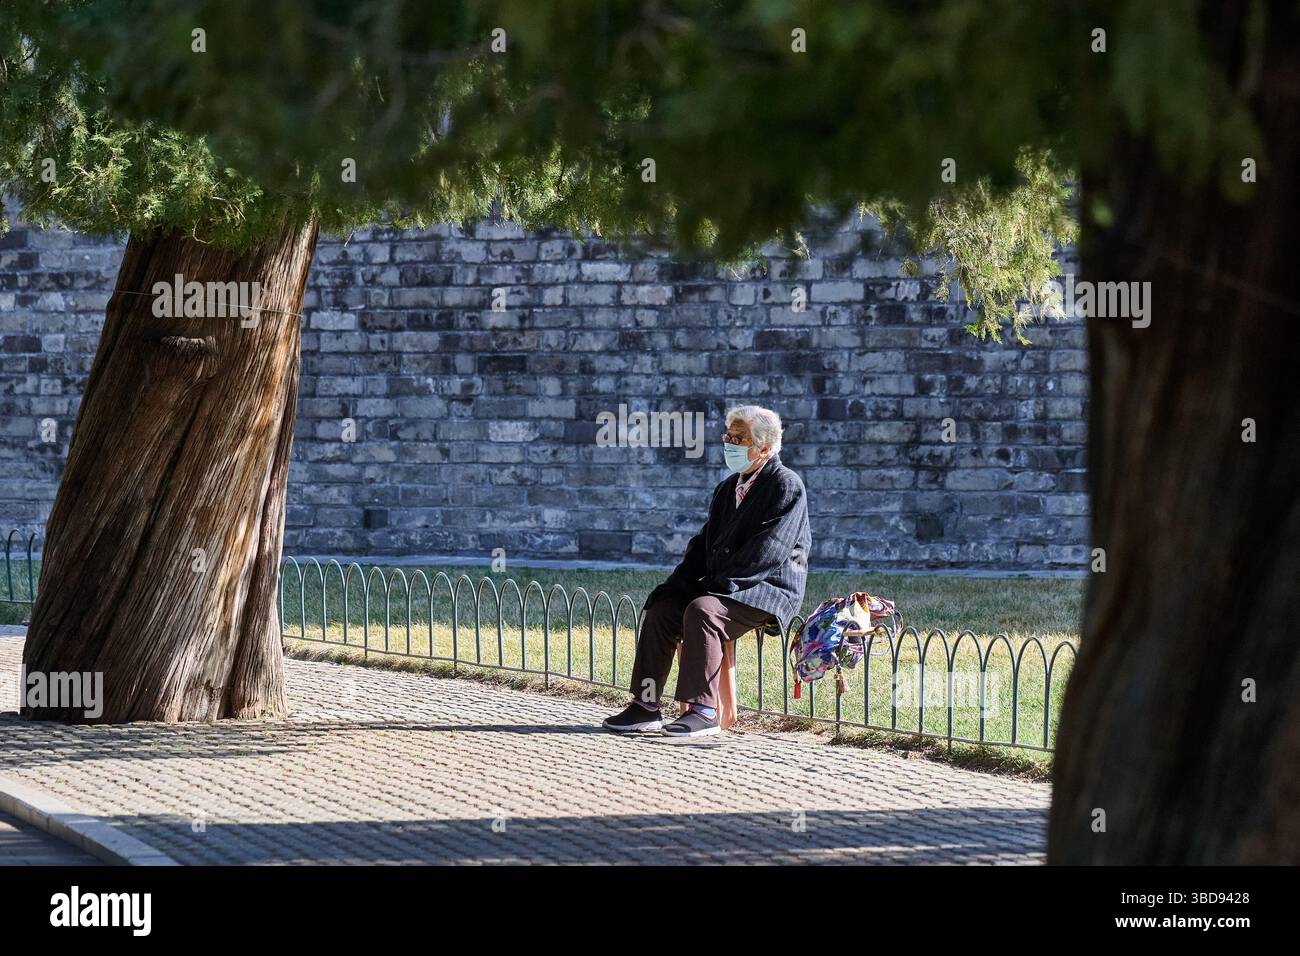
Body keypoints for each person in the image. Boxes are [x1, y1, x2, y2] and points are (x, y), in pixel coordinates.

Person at [603, 405, 811, 737]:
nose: (729, 442)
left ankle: (704, 710)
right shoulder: (728, 488)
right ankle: (645, 706)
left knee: (704, 611)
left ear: (765, 448)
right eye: (728, 435)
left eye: (738, 438)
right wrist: (678, 583)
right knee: (663, 606)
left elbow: (768, 551)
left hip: (765, 588)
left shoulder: (785, 485)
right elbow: (704, 543)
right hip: (723, 584)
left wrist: (714, 589)